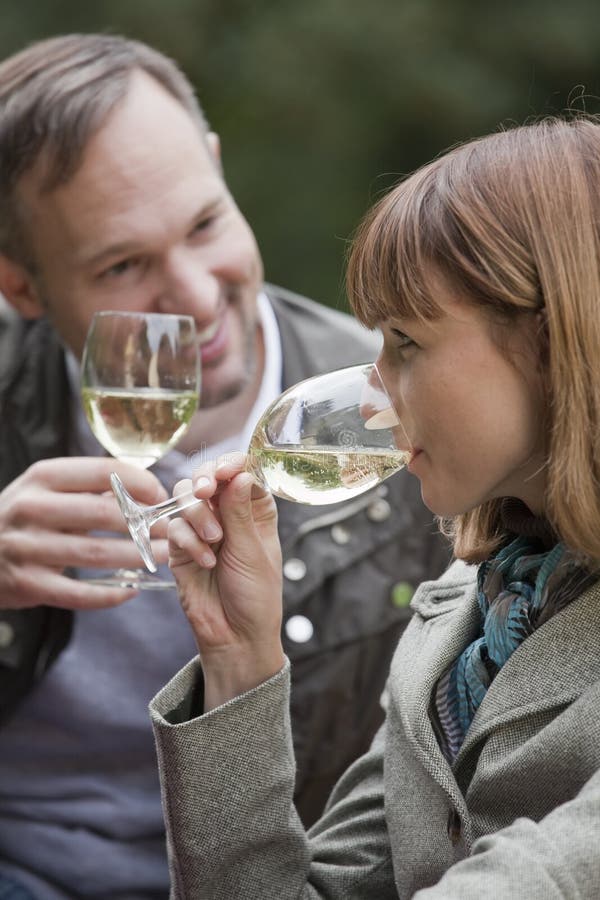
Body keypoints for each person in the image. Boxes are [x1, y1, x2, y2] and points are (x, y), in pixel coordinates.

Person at [0, 33, 450, 900]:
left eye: (205, 224)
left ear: (215, 165)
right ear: (20, 286)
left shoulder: (403, 418)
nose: (199, 299)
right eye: (122, 265)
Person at [149, 114, 600, 898]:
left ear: (554, 341)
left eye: (406, 343)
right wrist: (240, 660)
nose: (371, 401)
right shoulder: (459, 625)